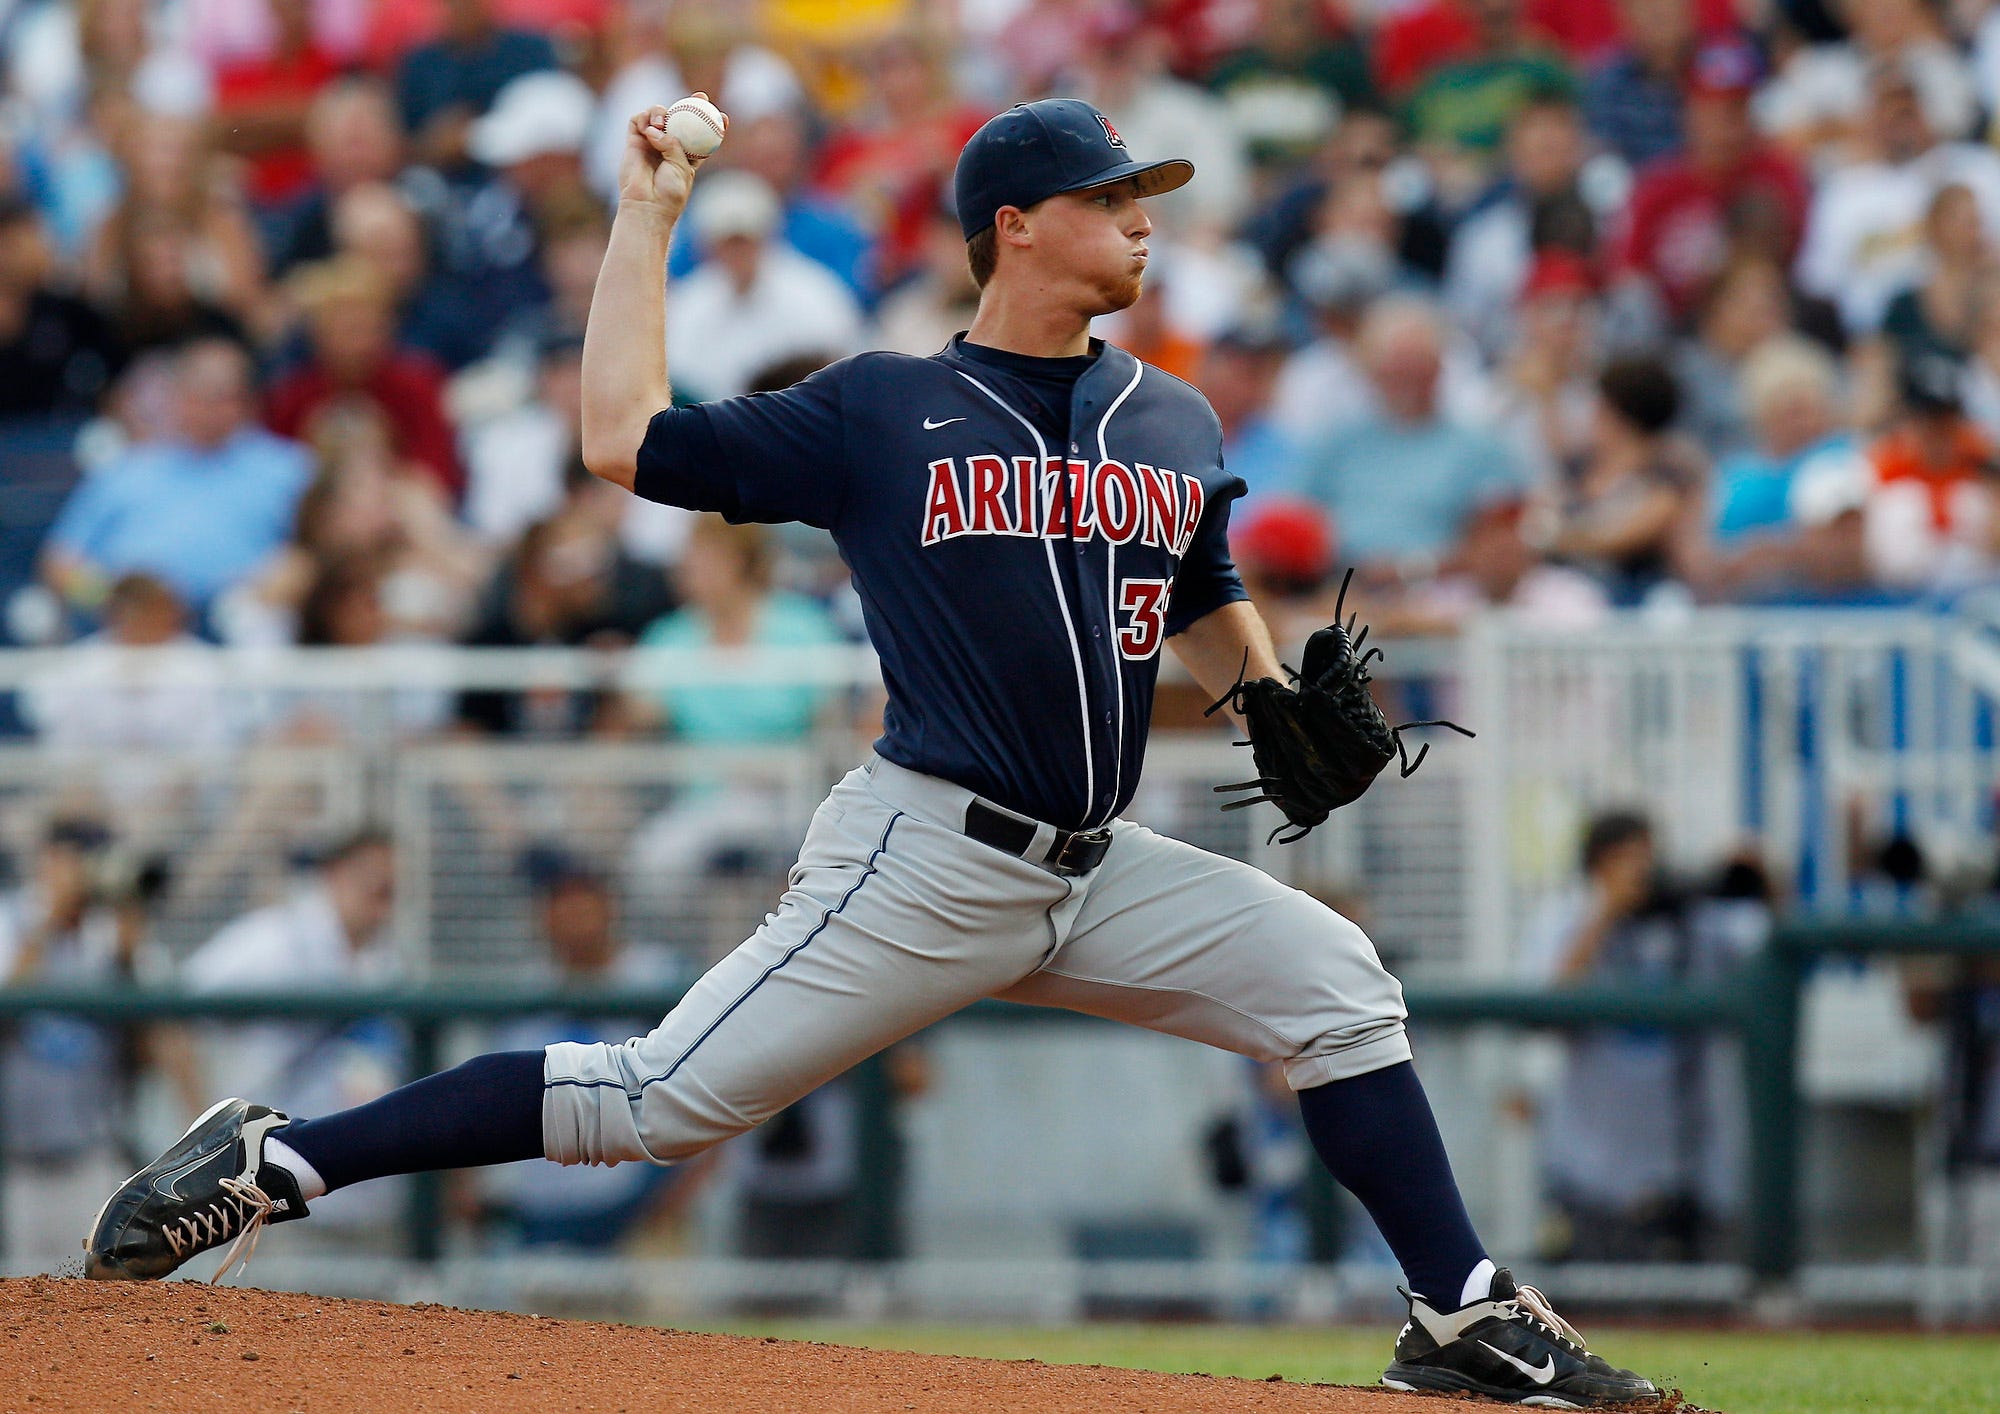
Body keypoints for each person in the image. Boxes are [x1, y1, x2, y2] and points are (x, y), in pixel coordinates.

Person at [84, 95, 1659, 1410]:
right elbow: (622, 438)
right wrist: (647, 214)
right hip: (922, 858)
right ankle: (280, 1158)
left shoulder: (1172, 417)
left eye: (1147, 197)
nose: (1147, 221)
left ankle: (1457, 1308)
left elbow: (1197, 585)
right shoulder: (883, 406)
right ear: (1016, 223)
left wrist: (1262, 696)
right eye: (1115, 198)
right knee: (649, 1099)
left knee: (1338, 986)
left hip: (1097, 864)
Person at [41, 337, 313, 619]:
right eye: (198, 395)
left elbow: (322, 553)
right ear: (176, 396)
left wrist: (287, 579)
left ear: (248, 400)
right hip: (133, 629)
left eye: (223, 395)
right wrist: (109, 598)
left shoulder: (289, 469)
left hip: (246, 626)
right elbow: (59, 562)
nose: (209, 408)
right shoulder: (124, 470)